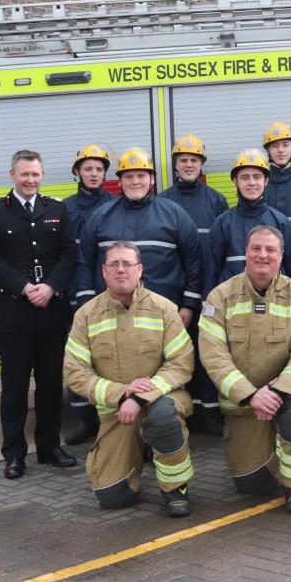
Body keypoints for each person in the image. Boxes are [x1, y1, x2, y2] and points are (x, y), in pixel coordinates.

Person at [199, 226, 291, 513]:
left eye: (270, 250)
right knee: (251, 484)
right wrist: (251, 395)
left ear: (281, 255)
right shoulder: (219, 298)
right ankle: (276, 449)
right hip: (245, 403)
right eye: (256, 248)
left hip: (288, 394)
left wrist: (280, 389)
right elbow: (213, 356)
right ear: (245, 252)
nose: (262, 255)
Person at [63, 241, 195, 517]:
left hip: (163, 398)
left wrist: (138, 397)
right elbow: (75, 372)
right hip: (117, 410)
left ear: (140, 270)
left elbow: (181, 363)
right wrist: (122, 394)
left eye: (127, 264)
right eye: (114, 264)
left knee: (162, 416)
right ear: (104, 271)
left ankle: (175, 488)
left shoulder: (164, 309)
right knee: (112, 497)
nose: (121, 270)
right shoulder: (85, 315)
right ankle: (134, 456)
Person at [0, 149, 78, 479]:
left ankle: (49, 447)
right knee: (15, 387)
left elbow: (68, 255)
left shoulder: (57, 210)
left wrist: (49, 287)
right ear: (12, 176)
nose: (30, 180)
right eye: (24, 174)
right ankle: (15, 454)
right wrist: (25, 288)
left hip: (51, 312)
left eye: (35, 174)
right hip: (14, 314)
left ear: (42, 175)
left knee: (50, 384)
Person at [76, 148, 204, 330]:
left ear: (151, 179)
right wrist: (86, 304)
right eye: (128, 176)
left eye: (141, 175)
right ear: (120, 181)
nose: (135, 182)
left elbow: (194, 261)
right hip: (110, 314)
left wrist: (189, 305)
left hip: (165, 312)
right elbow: (84, 263)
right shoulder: (100, 217)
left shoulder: (174, 214)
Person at [159, 134, 230, 434]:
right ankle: (181, 409)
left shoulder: (217, 200)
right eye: (183, 160)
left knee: (208, 351)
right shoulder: (162, 200)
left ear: (202, 165)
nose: (188, 165)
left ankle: (210, 411)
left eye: (194, 160)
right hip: (175, 293)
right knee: (175, 353)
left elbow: (220, 249)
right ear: (176, 164)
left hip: (209, 287)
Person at [61, 143, 118, 446]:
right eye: (88, 169)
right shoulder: (65, 209)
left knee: (109, 358)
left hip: (107, 292)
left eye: (99, 169)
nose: (94, 174)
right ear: (77, 172)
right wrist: (77, 296)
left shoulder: (114, 205)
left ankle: (108, 418)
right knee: (79, 359)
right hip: (76, 292)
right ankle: (85, 421)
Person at [206, 148, 291, 291]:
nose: (251, 182)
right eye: (245, 177)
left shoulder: (281, 222)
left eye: (257, 177)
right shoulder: (222, 224)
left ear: (266, 180)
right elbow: (211, 272)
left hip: (276, 307)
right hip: (233, 307)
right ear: (234, 181)